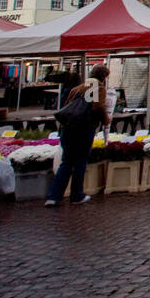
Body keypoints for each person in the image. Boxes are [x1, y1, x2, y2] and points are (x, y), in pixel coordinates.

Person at [46, 64, 111, 206]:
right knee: (80, 160)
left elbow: (67, 106)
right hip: (84, 128)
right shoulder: (98, 88)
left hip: (68, 128)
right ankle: (77, 194)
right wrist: (106, 120)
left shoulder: (77, 88)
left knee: (66, 162)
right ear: (104, 77)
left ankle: (53, 196)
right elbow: (98, 107)